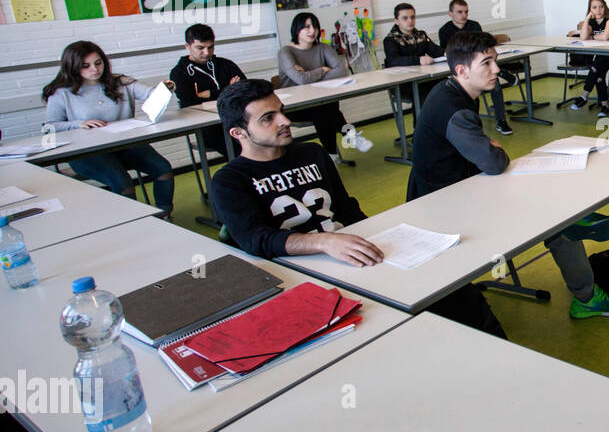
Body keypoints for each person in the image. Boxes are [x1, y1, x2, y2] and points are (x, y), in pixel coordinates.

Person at [210, 78, 505, 338]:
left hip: (352, 253)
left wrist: (388, 244)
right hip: (305, 272)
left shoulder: (312, 152)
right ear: (239, 133)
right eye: (268, 118)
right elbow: (256, 240)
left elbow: (348, 210)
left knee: (454, 287)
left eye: (281, 111)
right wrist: (324, 241)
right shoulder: (229, 180)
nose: (284, 121)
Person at [410, 31, 609, 319]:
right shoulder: (455, 109)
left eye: (496, 61)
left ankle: (575, 220)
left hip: (456, 187)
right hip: (449, 205)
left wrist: (486, 146)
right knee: (557, 221)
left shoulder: (451, 90)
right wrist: (491, 148)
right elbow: (493, 162)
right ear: (462, 70)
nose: (497, 70)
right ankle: (586, 297)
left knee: (540, 190)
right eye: (487, 63)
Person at [42, 41, 177, 218]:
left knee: (163, 169)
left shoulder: (120, 82)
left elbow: (151, 94)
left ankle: (164, 215)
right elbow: (49, 127)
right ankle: (134, 222)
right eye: (86, 66)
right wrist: (78, 123)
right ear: (73, 67)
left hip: (125, 145)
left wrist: (165, 89)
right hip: (87, 153)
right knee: (122, 183)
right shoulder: (61, 93)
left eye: (98, 63)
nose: (95, 69)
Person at [278, 11, 354, 167]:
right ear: (296, 30)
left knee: (325, 108)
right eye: (306, 27)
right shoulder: (286, 52)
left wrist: (308, 74)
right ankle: (347, 135)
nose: (312, 31)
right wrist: (323, 69)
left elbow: (341, 71)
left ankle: (333, 155)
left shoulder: (322, 47)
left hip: (321, 103)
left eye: (315, 27)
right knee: (325, 110)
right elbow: (300, 79)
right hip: (295, 106)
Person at [437, 0, 517, 136]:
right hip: (464, 69)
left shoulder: (474, 25)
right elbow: (451, 53)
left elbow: (484, 50)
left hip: (480, 65)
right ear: (450, 14)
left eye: (466, 12)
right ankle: (502, 72)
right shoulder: (445, 30)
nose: (464, 15)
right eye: (460, 12)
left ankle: (501, 120)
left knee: (496, 86)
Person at [169, 23, 246, 156]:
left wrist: (209, 94)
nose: (207, 52)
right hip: (208, 127)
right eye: (200, 48)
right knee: (242, 150)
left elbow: (245, 89)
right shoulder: (179, 73)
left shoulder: (225, 64)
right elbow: (190, 103)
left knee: (262, 139)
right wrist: (228, 89)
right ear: (187, 46)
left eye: (210, 47)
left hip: (236, 119)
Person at [567, 0, 609, 119]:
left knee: (595, 68)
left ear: (605, 8)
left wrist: (591, 36)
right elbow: (583, 37)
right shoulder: (591, 21)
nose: (598, 10)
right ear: (590, 9)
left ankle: (584, 96)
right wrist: (587, 19)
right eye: (594, 7)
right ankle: (605, 106)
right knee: (598, 75)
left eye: (601, 7)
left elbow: (605, 37)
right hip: (602, 56)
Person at [382, 2, 440, 112]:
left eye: (412, 17)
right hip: (403, 83)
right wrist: (418, 60)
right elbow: (393, 61)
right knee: (422, 92)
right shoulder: (390, 40)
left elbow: (435, 51)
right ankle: (419, 127)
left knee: (447, 85)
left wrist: (447, 52)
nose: (410, 21)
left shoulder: (421, 35)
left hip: (423, 78)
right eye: (405, 18)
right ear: (396, 21)